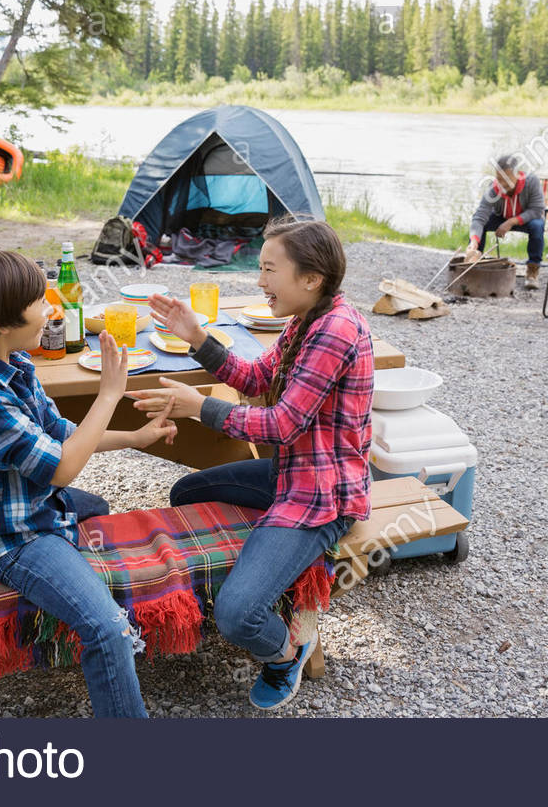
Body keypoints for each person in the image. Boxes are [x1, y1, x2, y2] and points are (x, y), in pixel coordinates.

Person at [129, 218, 372, 711]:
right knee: (186, 494)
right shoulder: (307, 318)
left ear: (311, 278)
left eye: (268, 269)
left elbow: (282, 424)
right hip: (289, 474)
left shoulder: (335, 331)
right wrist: (198, 337)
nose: (259, 281)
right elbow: (257, 377)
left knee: (238, 616)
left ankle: (286, 650)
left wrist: (198, 406)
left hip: (322, 493)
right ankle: (271, 570)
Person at [0, 249, 179, 718]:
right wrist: (109, 394)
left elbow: (62, 436)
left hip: (31, 504)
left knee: (98, 506)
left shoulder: (13, 364)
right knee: (107, 629)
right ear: (2, 321)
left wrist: (136, 436)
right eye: (37, 300)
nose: (51, 308)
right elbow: (63, 469)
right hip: (7, 540)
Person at [464, 155, 547, 289]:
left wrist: (511, 222)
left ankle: (532, 270)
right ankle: (473, 262)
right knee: (482, 224)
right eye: (499, 178)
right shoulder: (493, 189)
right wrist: (474, 239)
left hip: (526, 219)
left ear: (518, 175)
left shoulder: (532, 182)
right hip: (501, 217)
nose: (501, 183)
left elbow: (537, 210)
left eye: (506, 179)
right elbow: (480, 216)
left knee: (537, 226)